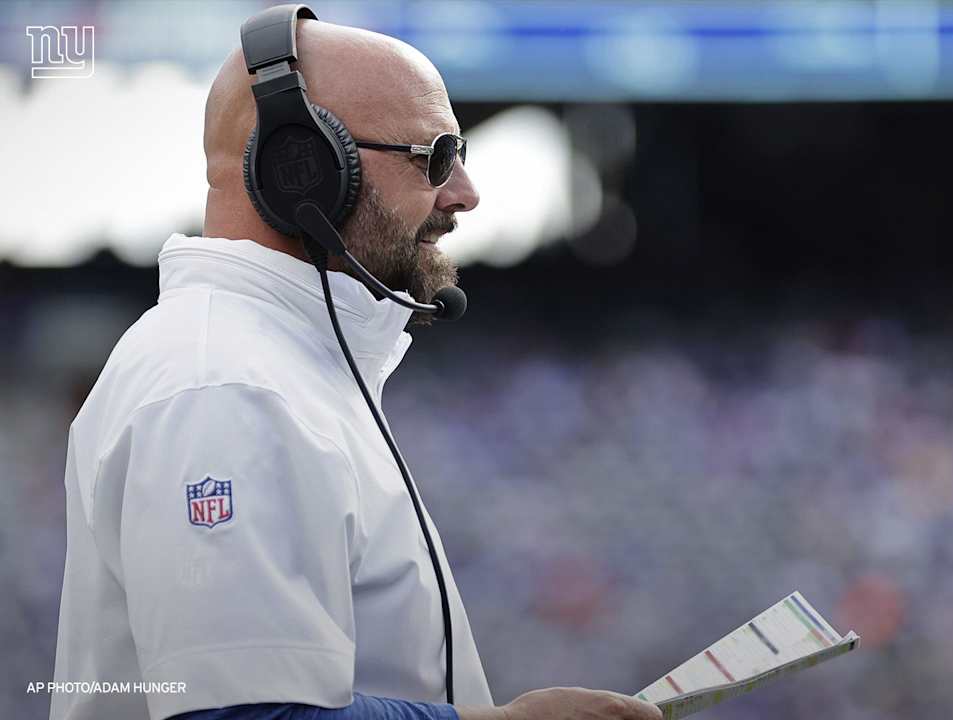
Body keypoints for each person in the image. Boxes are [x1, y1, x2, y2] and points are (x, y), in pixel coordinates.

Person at [49, 13, 662, 720]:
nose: (465, 192)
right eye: (435, 156)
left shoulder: (270, 364)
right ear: (302, 168)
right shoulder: (225, 384)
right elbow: (245, 715)